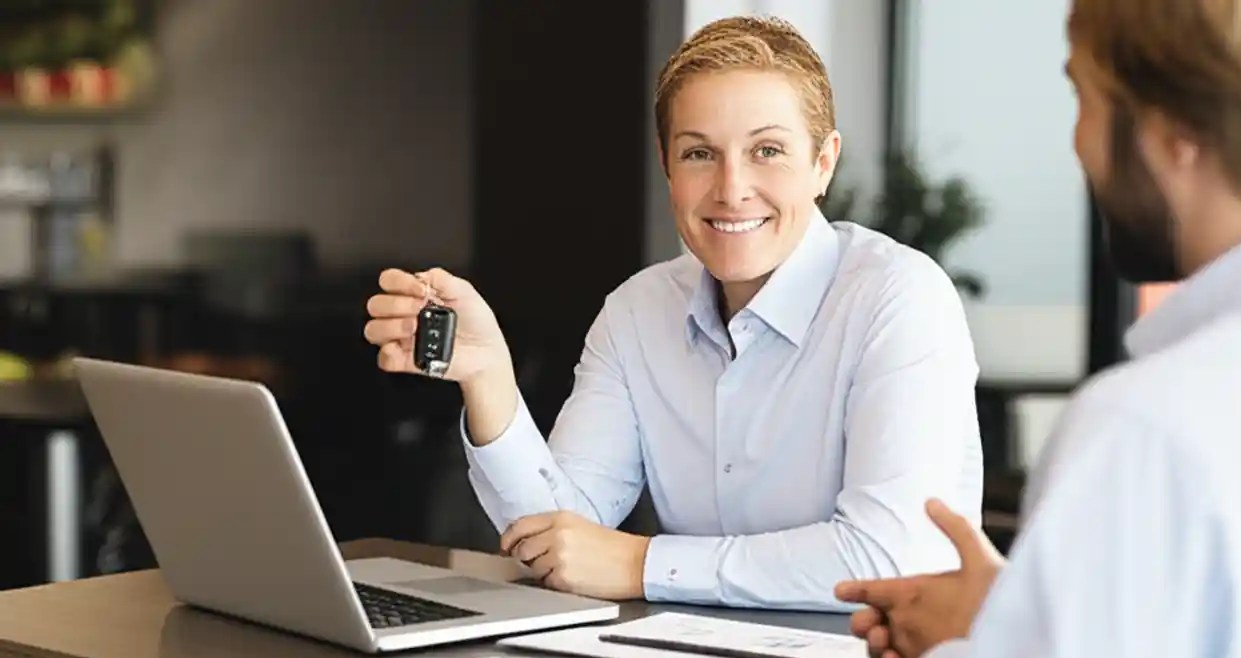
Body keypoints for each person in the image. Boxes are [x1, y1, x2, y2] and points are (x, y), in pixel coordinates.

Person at [364, 15, 983, 610]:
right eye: (698, 154)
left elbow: (885, 556)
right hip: (697, 657)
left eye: (767, 150)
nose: (731, 188)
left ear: (823, 163)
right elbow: (560, 540)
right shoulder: (637, 312)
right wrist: (490, 379)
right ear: (666, 163)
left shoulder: (900, 298)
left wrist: (642, 564)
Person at [835, 0, 1241, 658]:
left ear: (1174, 131)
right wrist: (1030, 616)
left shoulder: (1143, 432)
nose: (1076, 144)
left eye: (1084, 98)